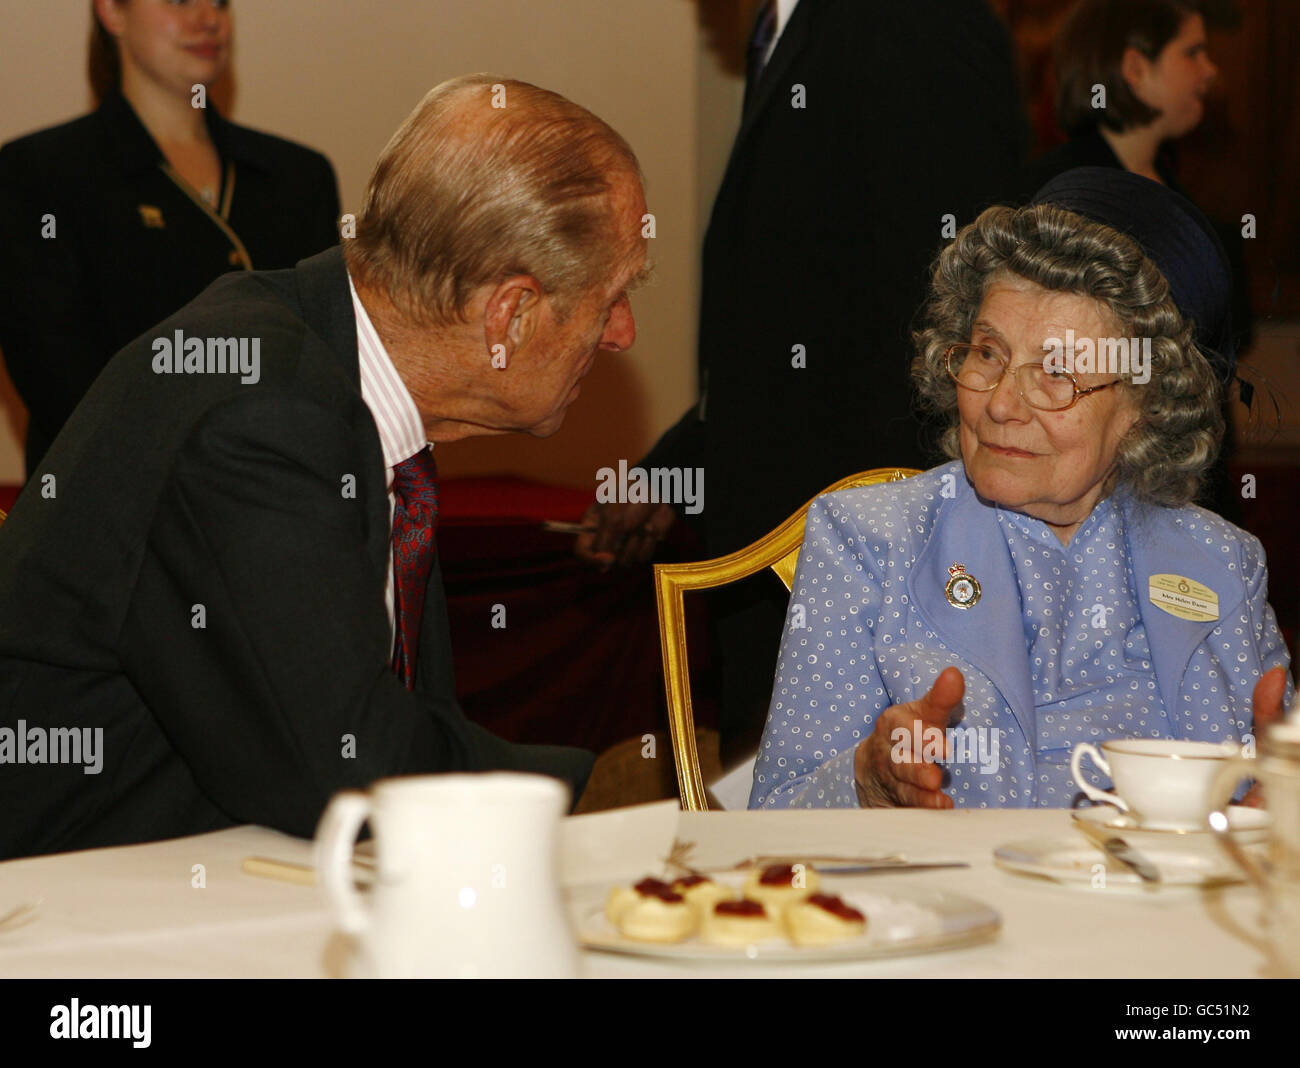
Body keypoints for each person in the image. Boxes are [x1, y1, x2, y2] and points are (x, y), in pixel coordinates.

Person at [0, 75, 648, 859]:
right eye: (610, 298)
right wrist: (595, 793)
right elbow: (341, 767)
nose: (622, 333)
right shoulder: (260, 412)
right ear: (509, 313)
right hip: (73, 909)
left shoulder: (331, 368)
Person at [750, 167, 1293, 809]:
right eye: (987, 353)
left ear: (1148, 402)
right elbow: (772, 817)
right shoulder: (867, 540)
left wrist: (1274, 811)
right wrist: (866, 781)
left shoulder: (1224, 563)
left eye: (1057, 370)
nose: (1002, 404)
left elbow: (1270, 802)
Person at [577, 0, 1027, 762]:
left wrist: (864, 585)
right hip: (793, 578)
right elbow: (794, 328)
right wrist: (681, 471)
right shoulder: (793, 34)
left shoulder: (911, 23)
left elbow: (946, 321)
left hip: (868, 600)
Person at [0, 0, 340, 477]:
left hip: (280, 503)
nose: (208, 18)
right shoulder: (40, 173)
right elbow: (61, 383)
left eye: (220, 2)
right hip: (114, 514)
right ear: (112, 13)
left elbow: (330, 363)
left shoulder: (297, 175)